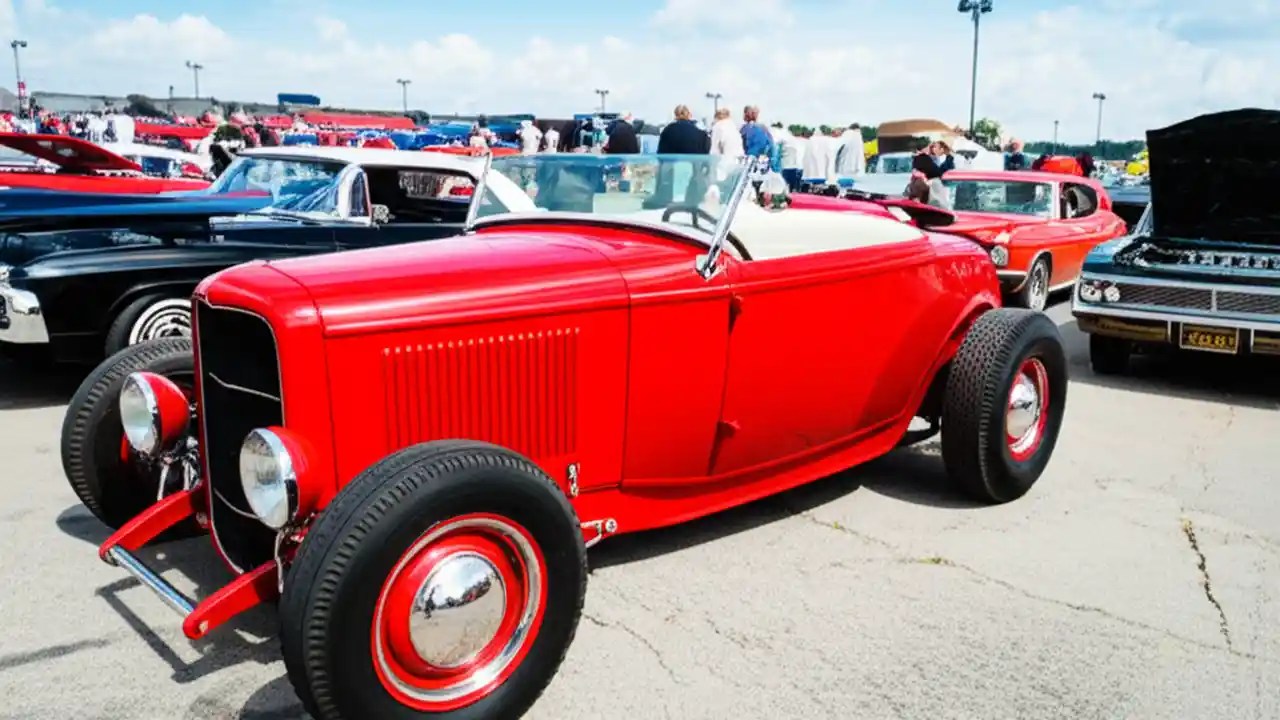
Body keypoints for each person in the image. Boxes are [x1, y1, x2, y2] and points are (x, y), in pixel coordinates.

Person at [771, 122, 805, 192]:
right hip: (798, 167)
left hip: (787, 167)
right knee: (795, 191)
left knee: (785, 190)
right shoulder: (792, 138)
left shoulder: (779, 135)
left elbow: (775, 153)